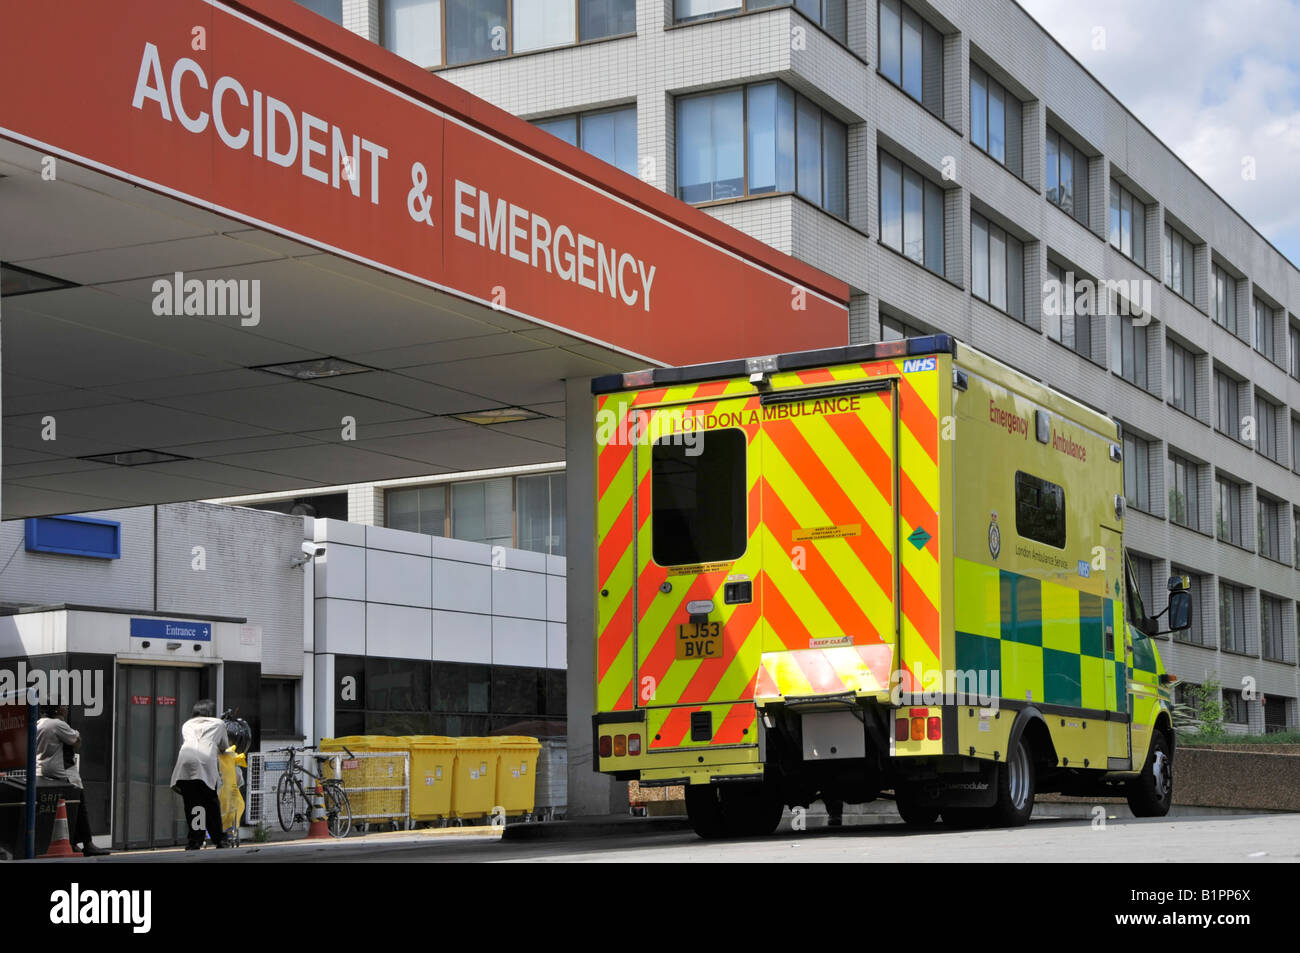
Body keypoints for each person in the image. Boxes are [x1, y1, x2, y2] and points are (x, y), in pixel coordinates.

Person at [35, 705, 110, 856]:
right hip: (64, 772)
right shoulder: (58, 724)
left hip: (42, 772)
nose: (66, 709)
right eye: (64, 707)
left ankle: (73, 843)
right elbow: (76, 741)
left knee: (65, 810)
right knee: (79, 807)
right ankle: (88, 843)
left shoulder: (38, 724)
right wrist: (74, 733)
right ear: (57, 710)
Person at [170, 699, 230, 849]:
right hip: (205, 763)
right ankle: (220, 839)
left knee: (193, 804)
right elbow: (224, 747)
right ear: (210, 712)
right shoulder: (218, 724)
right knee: (210, 803)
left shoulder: (187, 724)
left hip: (185, 764)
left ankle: (195, 841)